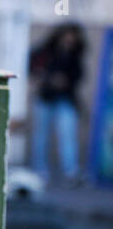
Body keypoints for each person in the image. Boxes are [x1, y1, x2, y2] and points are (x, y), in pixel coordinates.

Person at [29, 23, 87, 186]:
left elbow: (78, 76)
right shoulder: (46, 52)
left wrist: (65, 82)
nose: (69, 40)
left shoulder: (74, 55)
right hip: (45, 97)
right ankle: (39, 169)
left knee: (67, 134)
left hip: (65, 99)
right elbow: (34, 66)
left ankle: (71, 171)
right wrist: (46, 79)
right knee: (41, 135)